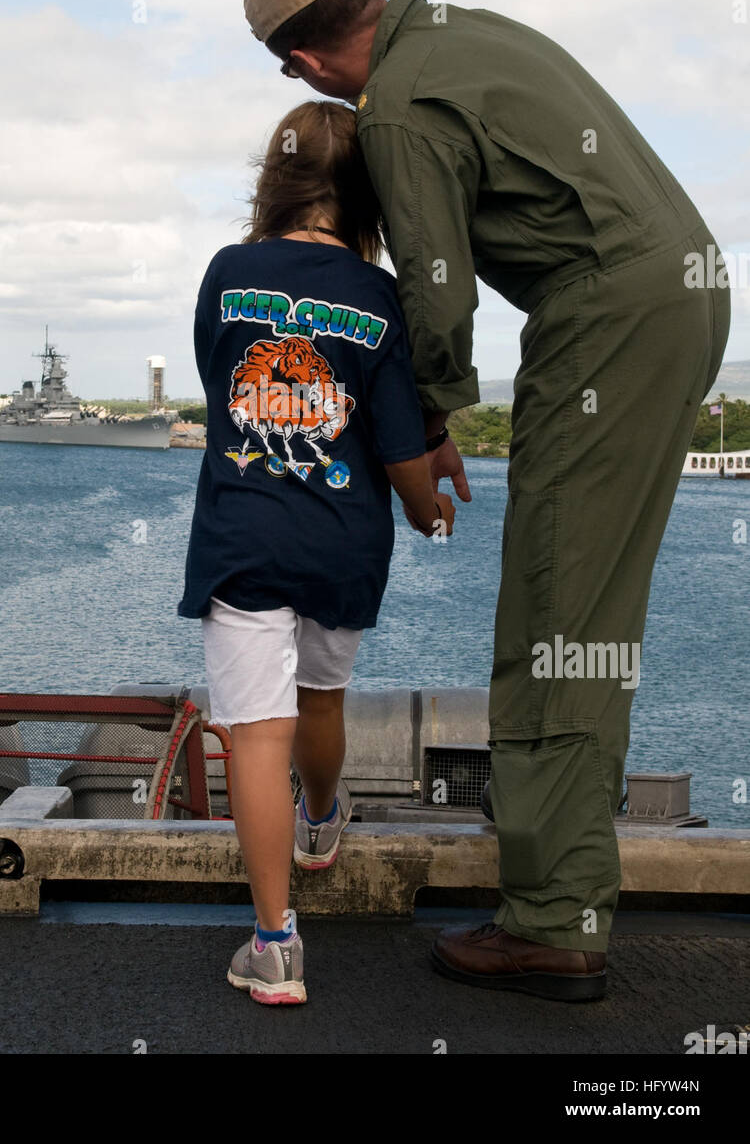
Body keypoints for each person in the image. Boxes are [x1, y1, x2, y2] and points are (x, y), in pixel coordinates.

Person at [243, 0, 730, 1002]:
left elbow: (435, 289)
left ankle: (555, 922)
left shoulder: (399, 111)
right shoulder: (465, 36)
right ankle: (565, 894)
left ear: (304, 63)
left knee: (559, 618)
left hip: (609, 318)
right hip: (664, 297)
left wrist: (421, 430)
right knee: (589, 610)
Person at [178, 100, 454, 1005]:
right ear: (367, 198)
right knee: (321, 697)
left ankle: (274, 946)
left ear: (274, 180)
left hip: (244, 533)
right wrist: (424, 510)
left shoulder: (226, 273)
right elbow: (399, 444)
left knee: (257, 735)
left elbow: (222, 389)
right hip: (343, 542)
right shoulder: (377, 297)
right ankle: (325, 819)